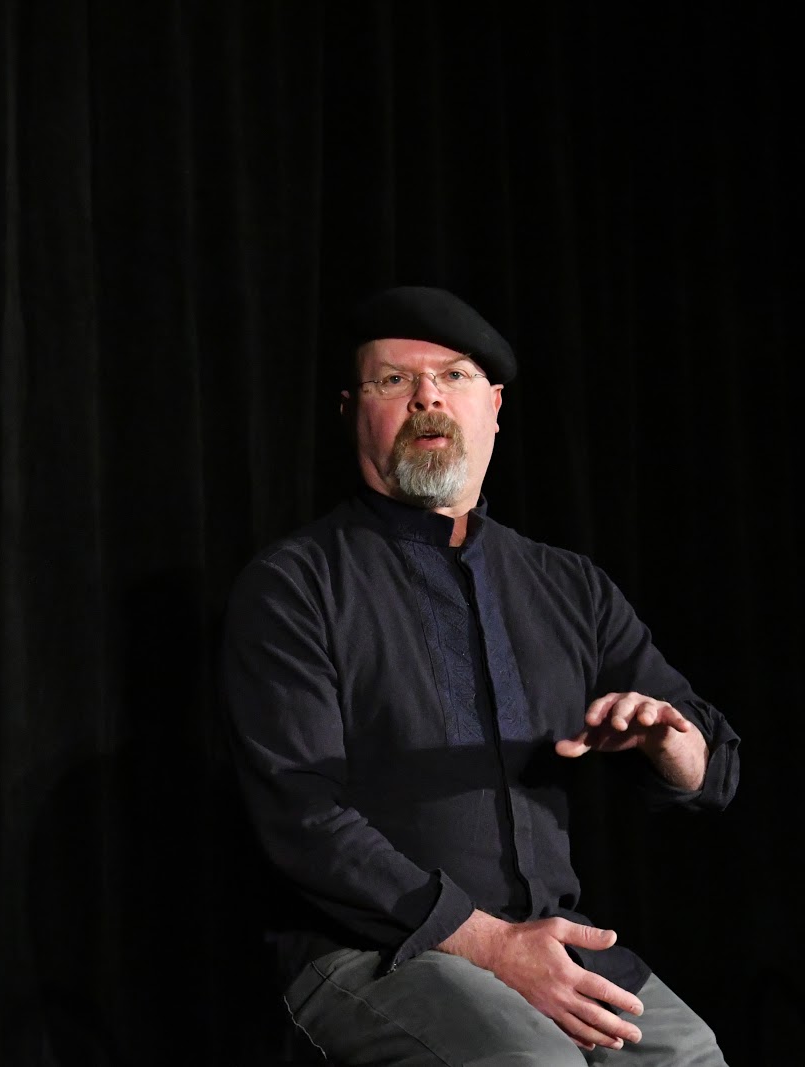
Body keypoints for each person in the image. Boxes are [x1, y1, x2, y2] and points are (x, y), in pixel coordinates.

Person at [219, 286, 739, 1064]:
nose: (427, 395)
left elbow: (714, 763)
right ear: (351, 410)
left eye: (455, 376)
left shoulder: (568, 586)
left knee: (690, 1054)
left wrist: (669, 743)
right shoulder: (297, 584)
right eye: (393, 380)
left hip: (549, 947)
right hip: (375, 950)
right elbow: (302, 818)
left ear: (494, 406)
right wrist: (489, 944)